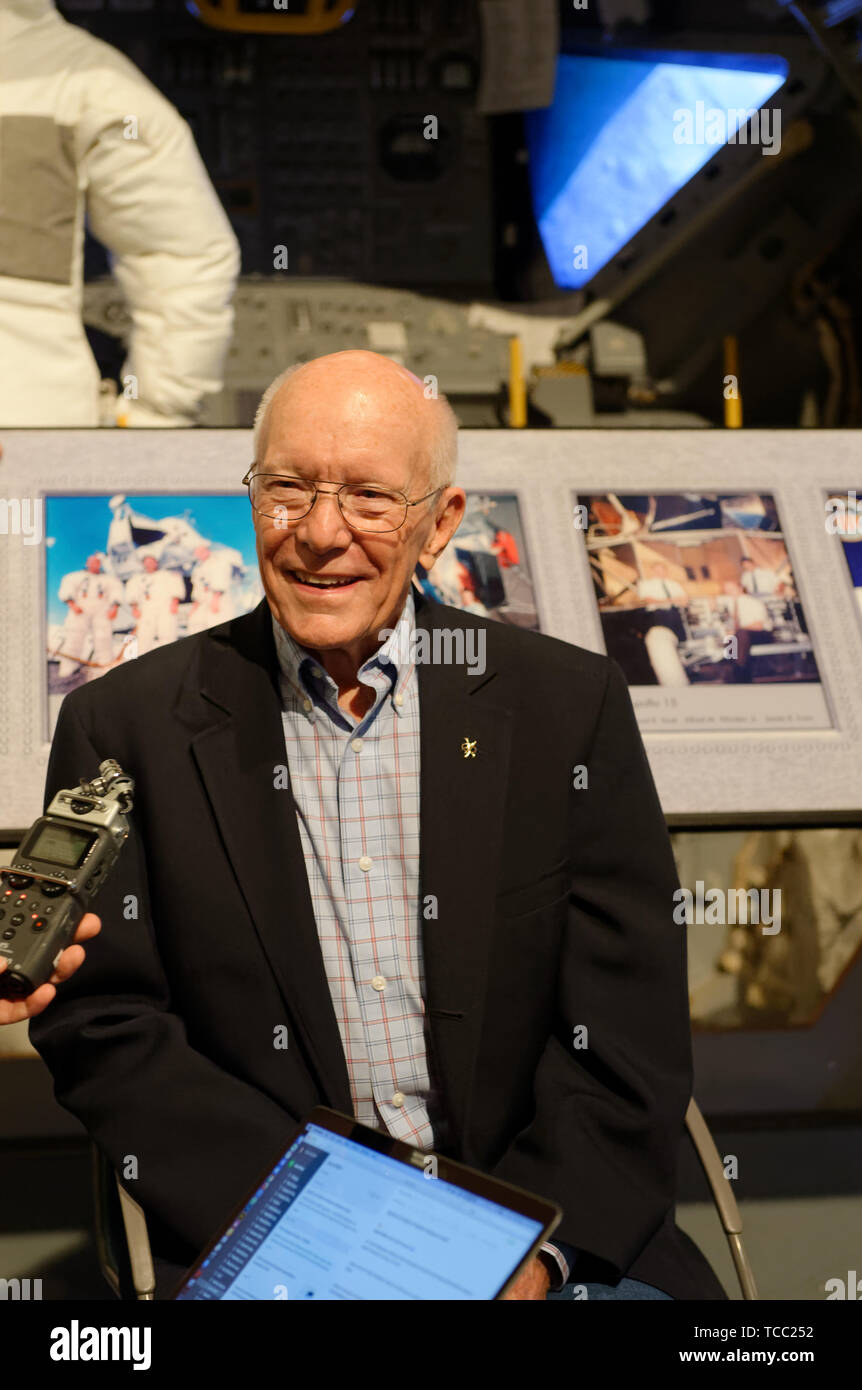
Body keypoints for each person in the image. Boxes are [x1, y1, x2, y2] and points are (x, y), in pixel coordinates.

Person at [29, 350, 725, 1302]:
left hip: (549, 1233)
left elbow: (626, 1030)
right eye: (288, 490)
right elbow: (107, 1025)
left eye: (368, 497)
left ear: (440, 521)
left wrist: (534, 1256)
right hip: (278, 1229)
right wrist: (327, 1229)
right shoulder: (124, 728)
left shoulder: (566, 707)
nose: (321, 534)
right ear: (250, 498)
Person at [0, 0, 239, 427]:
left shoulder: (91, 83)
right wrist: (149, 421)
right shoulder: (92, 81)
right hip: (29, 435)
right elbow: (180, 258)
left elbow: (179, 257)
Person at [55, 555, 123, 681]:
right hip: (80, 608)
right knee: (74, 637)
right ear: (87, 563)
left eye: (97, 562)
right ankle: (68, 667)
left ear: (100, 564)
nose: (94, 564)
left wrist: (114, 608)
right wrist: (72, 604)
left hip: (102, 610)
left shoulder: (108, 579)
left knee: (103, 638)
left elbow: (116, 592)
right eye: (92, 562)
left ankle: (105, 667)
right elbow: (67, 590)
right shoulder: (74, 577)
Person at [636, 561, 690, 687]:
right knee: (660, 641)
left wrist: (668, 601)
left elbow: (684, 600)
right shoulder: (645, 584)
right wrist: (672, 600)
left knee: (679, 643)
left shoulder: (674, 584)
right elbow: (649, 600)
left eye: (662, 570)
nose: (660, 572)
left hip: (675, 615)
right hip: (658, 616)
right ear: (652, 571)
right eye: (657, 570)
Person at [126, 556, 185, 655]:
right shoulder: (137, 578)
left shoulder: (167, 575)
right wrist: (134, 608)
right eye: (147, 562)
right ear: (143, 564)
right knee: (144, 637)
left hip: (165, 608)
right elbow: (132, 593)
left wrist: (174, 603)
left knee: (167, 635)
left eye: (151, 562)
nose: (149, 564)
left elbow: (176, 587)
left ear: (156, 563)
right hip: (146, 610)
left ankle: (169, 660)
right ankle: (144, 661)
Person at [187, 545, 240, 634]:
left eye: (201, 551)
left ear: (207, 551)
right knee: (195, 625)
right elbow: (197, 585)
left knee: (216, 625)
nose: (199, 554)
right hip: (202, 601)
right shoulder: (198, 567)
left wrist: (215, 600)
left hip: (218, 599)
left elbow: (220, 580)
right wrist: (195, 606)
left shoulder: (218, 562)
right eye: (197, 553)